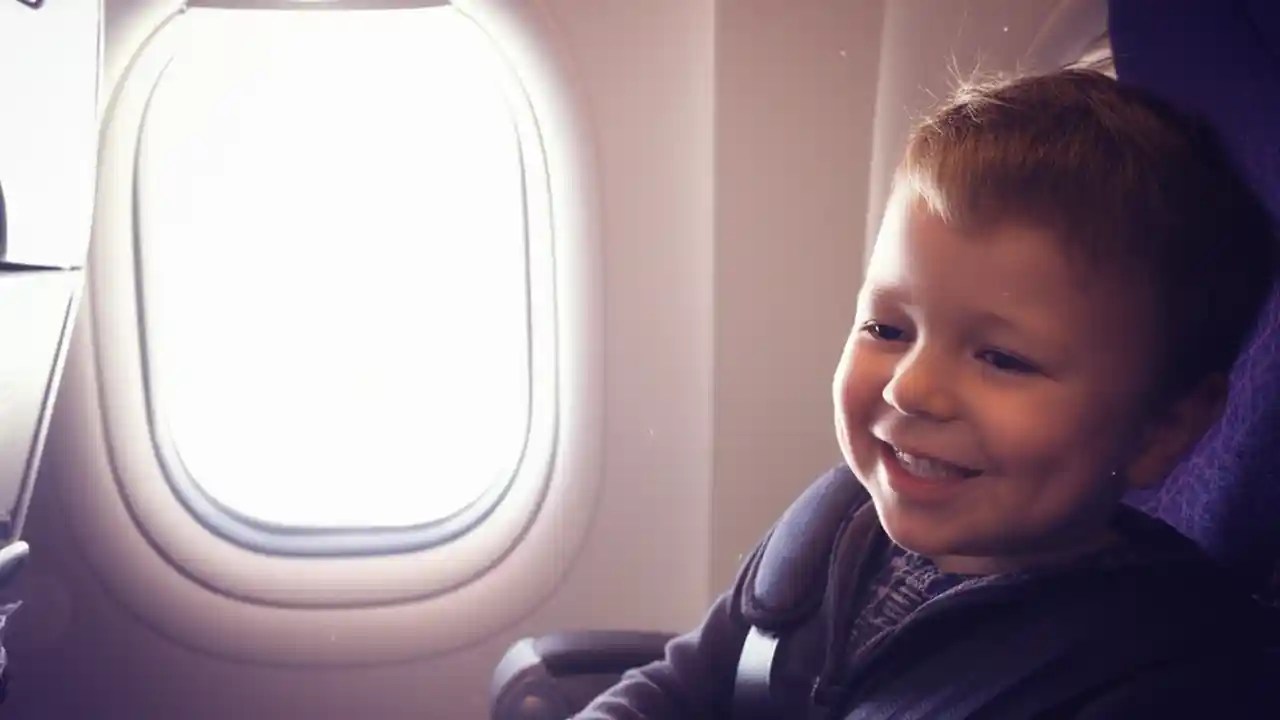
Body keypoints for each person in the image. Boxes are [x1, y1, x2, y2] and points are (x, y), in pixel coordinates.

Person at [574, 68, 1280, 719]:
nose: (911, 388)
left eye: (1002, 358)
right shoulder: (833, 524)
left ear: (1162, 428)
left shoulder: (1160, 673)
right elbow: (677, 688)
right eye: (886, 326)